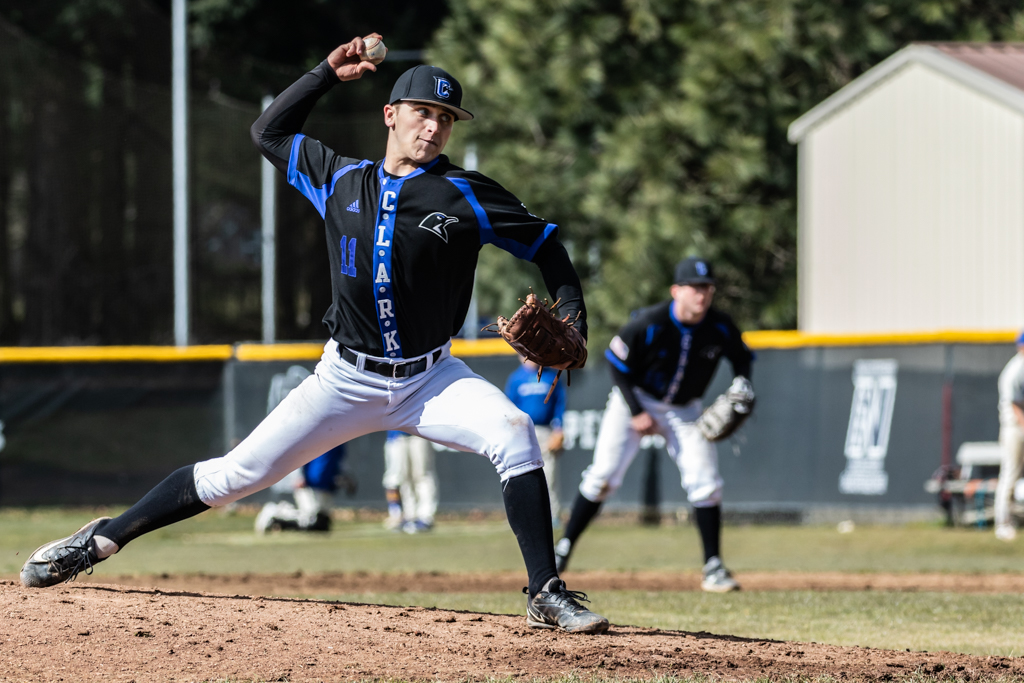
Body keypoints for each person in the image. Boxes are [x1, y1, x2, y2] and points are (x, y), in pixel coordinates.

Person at [20, 34, 607, 634]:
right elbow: (267, 133)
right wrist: (326, 73)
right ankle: (98, 542)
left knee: (514, 432)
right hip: (344, 379)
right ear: (391, 115)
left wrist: (574, 315)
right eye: (422, 113)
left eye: (445, 119)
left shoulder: (468, 195)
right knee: (231, 478)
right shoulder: (340, 177)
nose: (433, 128)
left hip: (432, 379)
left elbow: (547, 248)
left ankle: (545, 593)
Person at [553, 257, 754, 593]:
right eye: (693, 287)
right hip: (635, 399)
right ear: (676, 290)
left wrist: (743, 381)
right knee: (602, 476)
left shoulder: (720, 326)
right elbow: (615, 363)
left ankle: (713, 567)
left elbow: (743, 357)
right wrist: (635, 410)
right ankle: (562, 550)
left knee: (705, 481)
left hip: (684, 409)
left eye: (706, 288)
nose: (701, 295)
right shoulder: (650, 322)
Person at [505, 357, 567, 526]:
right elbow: (508, 407)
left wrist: (559, 429)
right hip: (523, 432)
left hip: (546, 430)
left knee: (549, 476)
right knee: (520, 475)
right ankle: (521, 516)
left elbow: (560, 405)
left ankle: (553, 515)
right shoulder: (516, 378)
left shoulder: (551, 376)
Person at [994, 331, 1024, 541]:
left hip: (1018, 426)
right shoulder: (1016, 368)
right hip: (1014, 427)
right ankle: (1002, 523)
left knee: (1013, 475)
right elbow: (1015, 404)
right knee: (1010, 474)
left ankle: (1009, 520)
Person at [382, 431, 438, 533]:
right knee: (404, 477)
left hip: (419, 433)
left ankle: (425, 516)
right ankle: (410, 515)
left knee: (422, 474)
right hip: (397, 435)